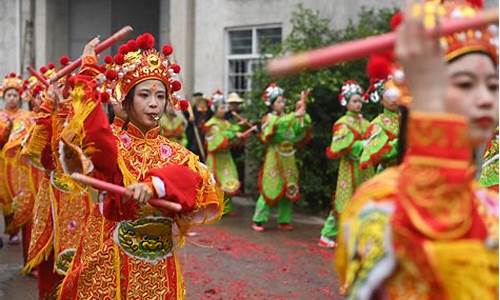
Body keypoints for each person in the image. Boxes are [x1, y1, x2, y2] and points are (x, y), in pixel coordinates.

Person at [335, 1, 498, 298]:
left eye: (493, 85)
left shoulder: (490, 205)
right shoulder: (381, 205)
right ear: (419, 93)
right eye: (464, 83)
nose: (485, 98)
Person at [58, 33, 223, 299]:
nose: (154, 103)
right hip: (111, 258)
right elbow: (96, 136)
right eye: (144, 95)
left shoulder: (178, 154)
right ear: (127, 100)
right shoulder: (115, 145)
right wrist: (88, 71)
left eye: (160, 96)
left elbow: (195, 182)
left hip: (158, 265)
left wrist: (155, 186)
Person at [21, 58, 93, 298]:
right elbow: (34, 151)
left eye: (69, 89)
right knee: (50, 268)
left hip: (83, 197)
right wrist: (49, 110)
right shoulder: (45, 120)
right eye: (61, 89)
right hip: (52, 196)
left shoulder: (87, 119)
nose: (65, 94)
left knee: (86, 265)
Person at [318, 80, 374, 248]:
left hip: (364, 167)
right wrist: (359, 145)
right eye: (354, 101)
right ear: (347, 103)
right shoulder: (343, 123)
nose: (358, 104)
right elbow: (339, 146)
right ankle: (327, 234)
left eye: (359, 100)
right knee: (343, 201)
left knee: (365, 200)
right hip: (349, 167)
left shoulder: (366, 123)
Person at [251, 83, 311, 232]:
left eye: (283, 101)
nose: (282, 104)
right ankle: (258, 219)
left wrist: (303, 115)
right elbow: (272, 130)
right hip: (274, 157)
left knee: (289, 188)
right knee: (270, 187)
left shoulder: (288, 117)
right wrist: (294, 115)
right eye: (278, 101)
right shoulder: (268, 118)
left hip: (288, 157)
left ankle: (284, 219)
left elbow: (299, 130)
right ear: (271, 104)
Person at [205, 91, 249, 214]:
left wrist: (240, 127)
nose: (224, 110)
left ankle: (226, 209)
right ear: (215, 109)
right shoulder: (211, 125)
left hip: (226, 157)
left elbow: (232, 129)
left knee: (229, 181)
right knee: (217, 185)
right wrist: (233, 134)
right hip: (215, 159)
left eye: (224, 107)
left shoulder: (225, 123)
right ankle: (215, 210)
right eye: (221, 107)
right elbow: (217, 139)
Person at [359, 76, 400, 171]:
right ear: (381, 100)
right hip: (388, 175)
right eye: (388, 95)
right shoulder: (378, 124)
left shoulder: (410, 117)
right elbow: (379, 153)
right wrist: (400, 142)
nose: (393, 99)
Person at [225, 92, 248, 194]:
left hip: (240, 143)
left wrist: (244, 124)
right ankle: (230, 187)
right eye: (232, 103)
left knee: (240, 165)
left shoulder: (242, 114)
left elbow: (246, 128)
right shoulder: (226, 115)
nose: (233, 105)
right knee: (230, 165)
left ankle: (240, 188)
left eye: (235, 103)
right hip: (229, 144)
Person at [184, 92, 213, 161]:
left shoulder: (209, 111)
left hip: (205, 135)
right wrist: (190, 118)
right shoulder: (192, 110)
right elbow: (186, 114)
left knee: (204, 152)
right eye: (198, 101)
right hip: (194, 135)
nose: (201, 103)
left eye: (202, 101)